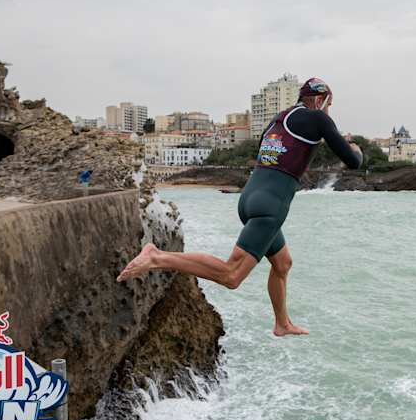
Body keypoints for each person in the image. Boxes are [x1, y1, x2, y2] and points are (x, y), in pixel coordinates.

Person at [117, 77, 363, 336]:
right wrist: (355, 148)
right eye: (329, 104)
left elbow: (278, 154)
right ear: (319, 99)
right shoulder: (318, 118)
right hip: (271, 205)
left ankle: (282, 323)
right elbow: (352, 161)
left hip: (250, 197)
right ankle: (157, 256)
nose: (329, 111)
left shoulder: (277, 121)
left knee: (283, 264)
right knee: (231, 275)